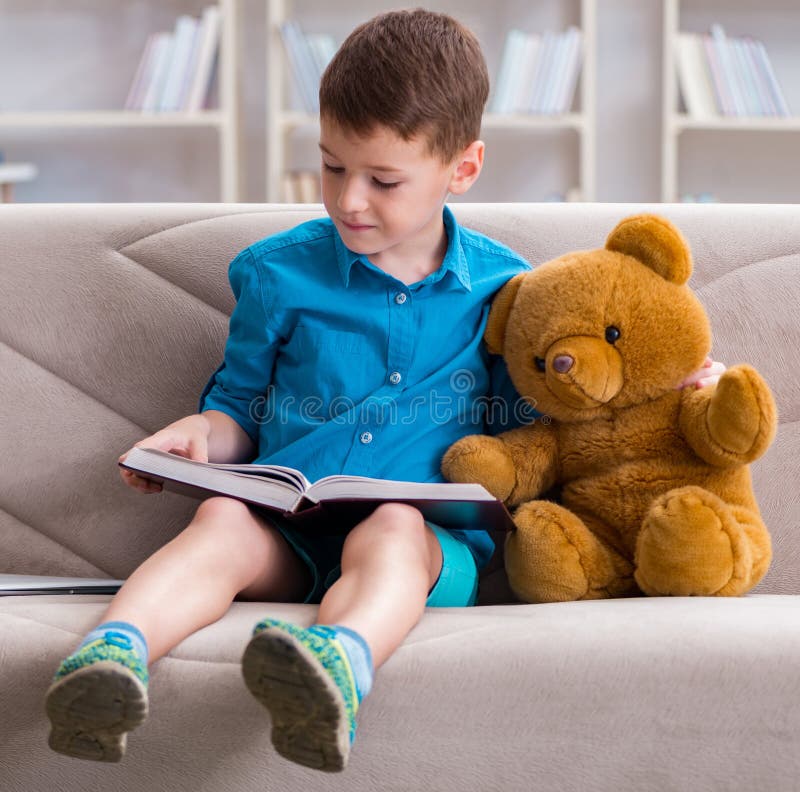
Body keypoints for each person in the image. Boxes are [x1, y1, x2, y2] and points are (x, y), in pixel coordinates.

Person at [43, 8, 724, 773]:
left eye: (383, 179)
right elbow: (237, 408)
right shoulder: (277, 274)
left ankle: (335, 668)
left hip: (424, 546)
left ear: (462, 169)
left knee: (394, 526)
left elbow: (547, 420)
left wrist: (676, 384)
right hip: (289, 532)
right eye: (333, 166)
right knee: (221, 516)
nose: (349, 201)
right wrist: (198, 438)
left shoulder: (509, 291)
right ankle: (110, 658)